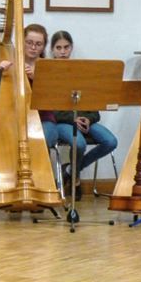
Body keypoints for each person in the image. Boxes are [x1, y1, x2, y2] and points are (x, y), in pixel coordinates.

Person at [47, 31, 118, 199]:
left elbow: (93, 102)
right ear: (52, 50)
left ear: (71, 48)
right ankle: (75, 181)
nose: (63, 51)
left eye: (66, 47)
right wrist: (73, 120)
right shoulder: (48, 72)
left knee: (110, 141)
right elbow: (50, 108)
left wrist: (89, 118)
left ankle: (71, 171)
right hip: (62, 121)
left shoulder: (80, 70)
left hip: (85, 120)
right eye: (58, 48)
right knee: (79, 143)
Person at [0, 24, 58, 145]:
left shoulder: (48, 67)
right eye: (29, 42)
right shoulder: (11, 64)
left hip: (44, 119)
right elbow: (0, 93)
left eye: (38, 44)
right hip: (16, 119)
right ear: (22, 43)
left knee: (41, 140)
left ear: (43, 47)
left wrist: (35, 79)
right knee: (7, 141)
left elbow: (53, 98)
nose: (33, 47)